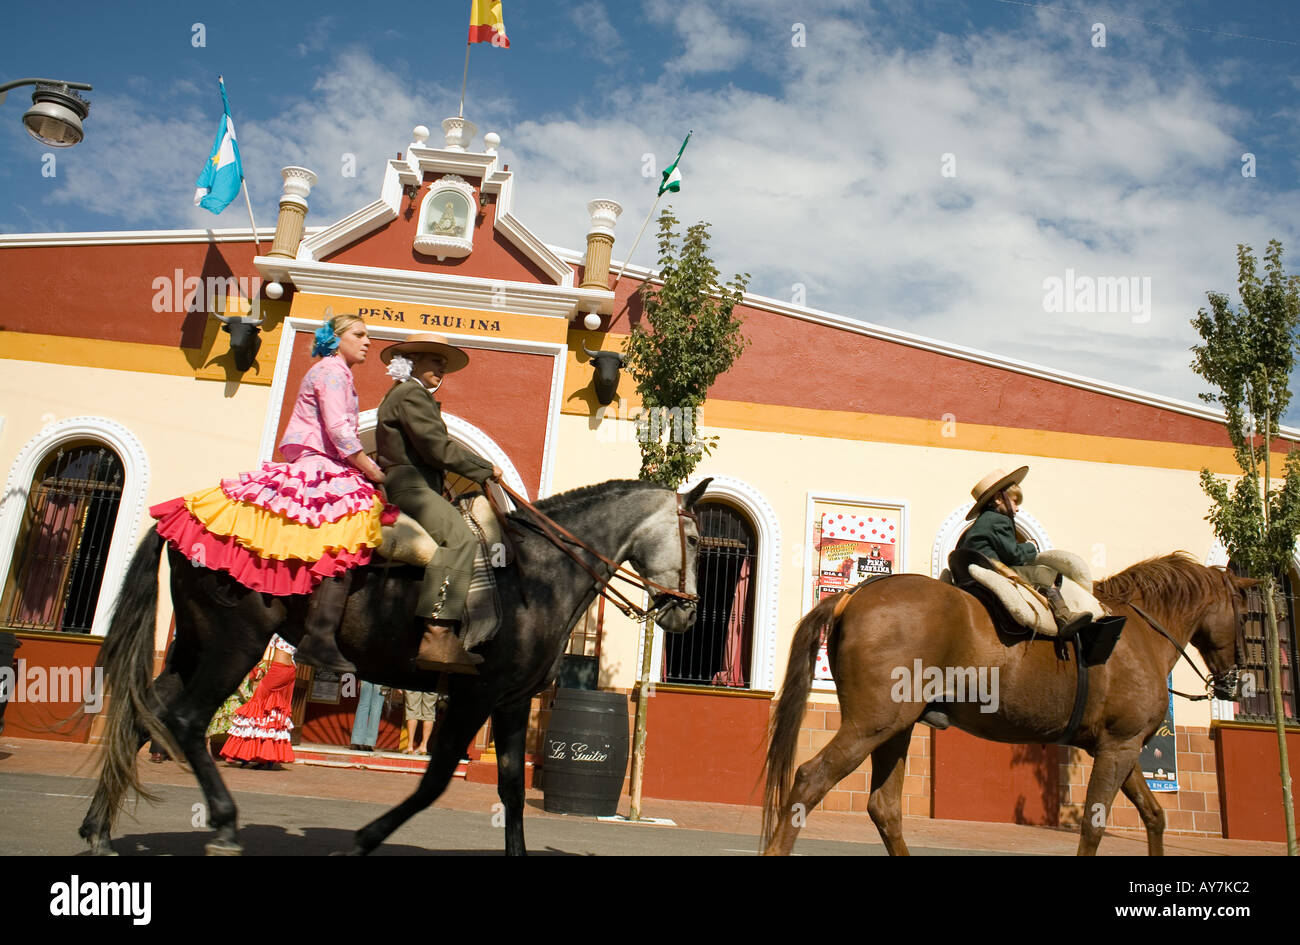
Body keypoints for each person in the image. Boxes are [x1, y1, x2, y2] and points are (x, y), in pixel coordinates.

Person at [150, 313, 393, 672]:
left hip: (330, 463)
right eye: (358, 334)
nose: (367, 341)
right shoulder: (331, 371)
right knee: (349, 531)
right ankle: (320, 638)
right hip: (321, 463)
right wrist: (371, 469)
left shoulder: (338, 372)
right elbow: (340, 430)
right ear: (337, 338)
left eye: (366, 335)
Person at [375, 333, 502, 673]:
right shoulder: (410, 394)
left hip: (422, 484)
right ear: (413, 361)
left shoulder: (412, 395)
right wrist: (484, 469)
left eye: (443, 364)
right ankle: (438, 633)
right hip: (410, 485)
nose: (441, 368)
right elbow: (437, 448)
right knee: (460, 538)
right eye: (435, 361)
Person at [957, 466, 1091, 638]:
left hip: (978, 569)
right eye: (1014, 502)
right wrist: (1031, 546)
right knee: (1045, 572)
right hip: (994, 569)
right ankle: (1064, 617)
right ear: (998, 499)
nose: (1017, 509)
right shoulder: (999, 520)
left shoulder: (981, 523)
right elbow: (1014, 555)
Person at [220, 636, 298, 769]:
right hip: (288, 669)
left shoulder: (284, 630)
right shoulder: (292, 631)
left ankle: (247, 753)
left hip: (280, 669)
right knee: (271, 707)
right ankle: (264, 757)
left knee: (256, 705)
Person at [349, 679, 386, 752]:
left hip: (367, 673)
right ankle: (369, 743)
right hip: (383, 673)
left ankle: (356, 741)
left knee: (363, 705)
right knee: (376, 707)